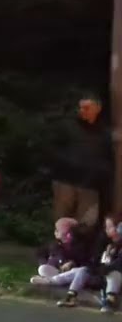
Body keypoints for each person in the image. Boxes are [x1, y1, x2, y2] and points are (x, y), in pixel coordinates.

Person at [48, 95, 110, 227]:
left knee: (87, 223)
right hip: (66, 181)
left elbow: (107, 158)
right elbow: (52, 149)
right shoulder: (68, 127)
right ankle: (61, 247)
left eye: (86, 108)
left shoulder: (104, 133)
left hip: (90, 184)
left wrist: (100, 174)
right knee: (62, 222)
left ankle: (80, 247)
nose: (82, 111)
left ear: (97, 109)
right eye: (80, 108)